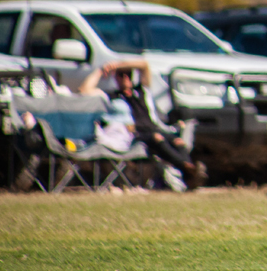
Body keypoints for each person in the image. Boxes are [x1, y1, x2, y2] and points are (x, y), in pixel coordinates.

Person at [79, 59, 205, 191]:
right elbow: (84, 90)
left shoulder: (142, 91)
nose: (126, 78)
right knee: (157, 138)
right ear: (116, 77)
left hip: (154, 129)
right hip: (134, 134)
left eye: (129, 74)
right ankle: (189, 170)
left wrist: (118, 65)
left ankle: (189, 172)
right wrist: (101, 70)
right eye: (121, 75)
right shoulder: (113, 96)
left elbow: (144, 65)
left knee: (179, 141)